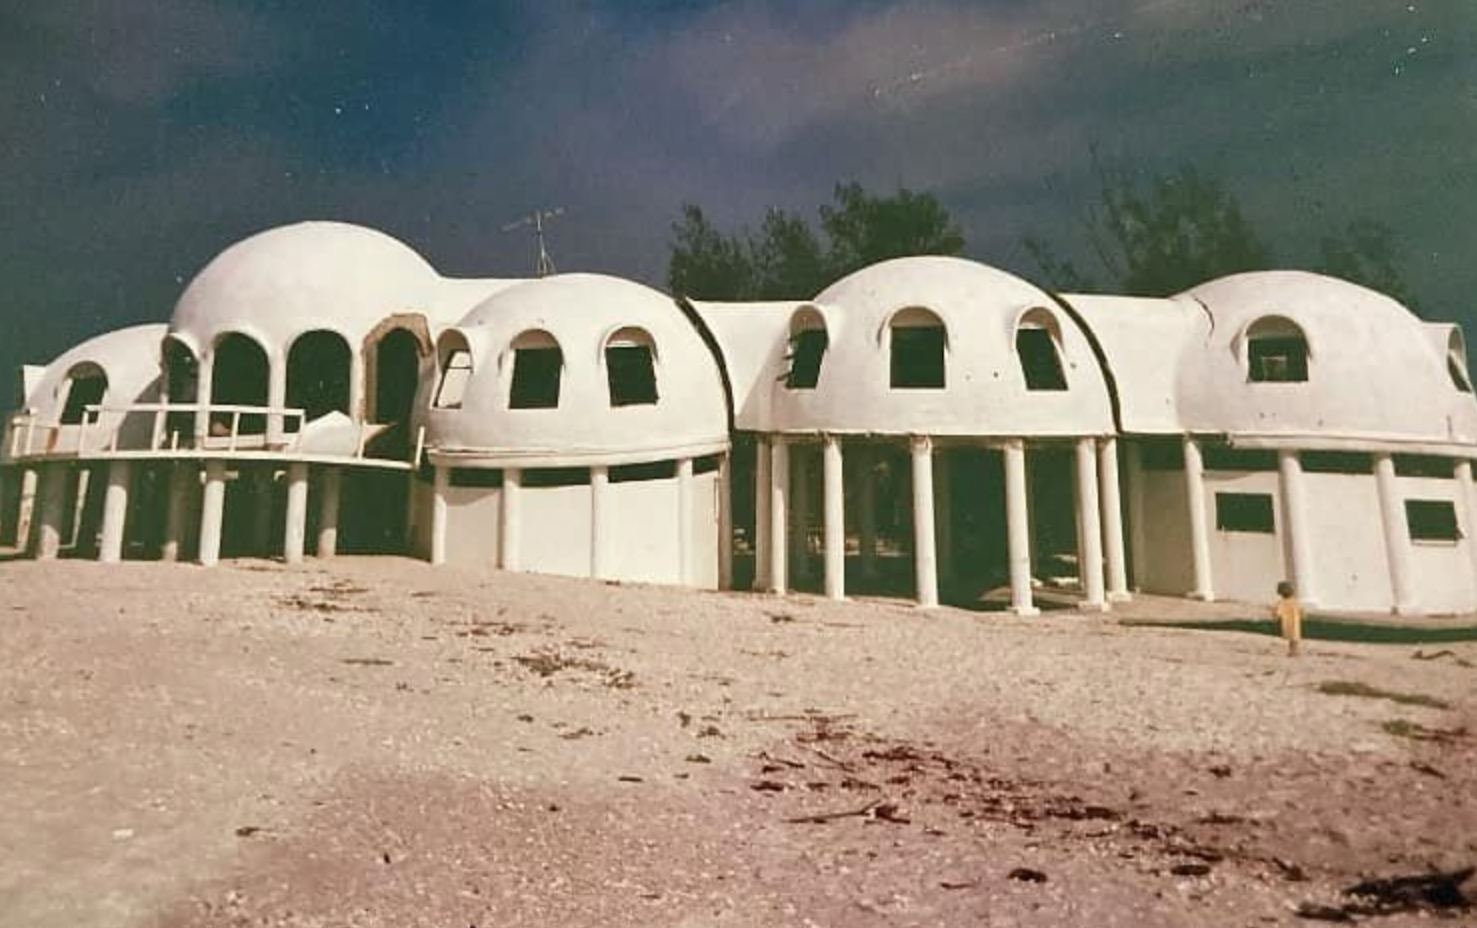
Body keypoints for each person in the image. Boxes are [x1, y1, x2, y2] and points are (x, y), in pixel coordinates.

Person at [1273, 580, 1302, 657]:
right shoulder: (1295, 601)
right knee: (1295, 638)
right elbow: (1301, 610)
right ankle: (1294, 651)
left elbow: (1277, 613)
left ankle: (1292, 652)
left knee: (1291, 638)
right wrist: (1302, 616)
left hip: (1287, 622)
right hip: (1295, 622)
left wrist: (1275, 618)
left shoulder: (1281, 602)